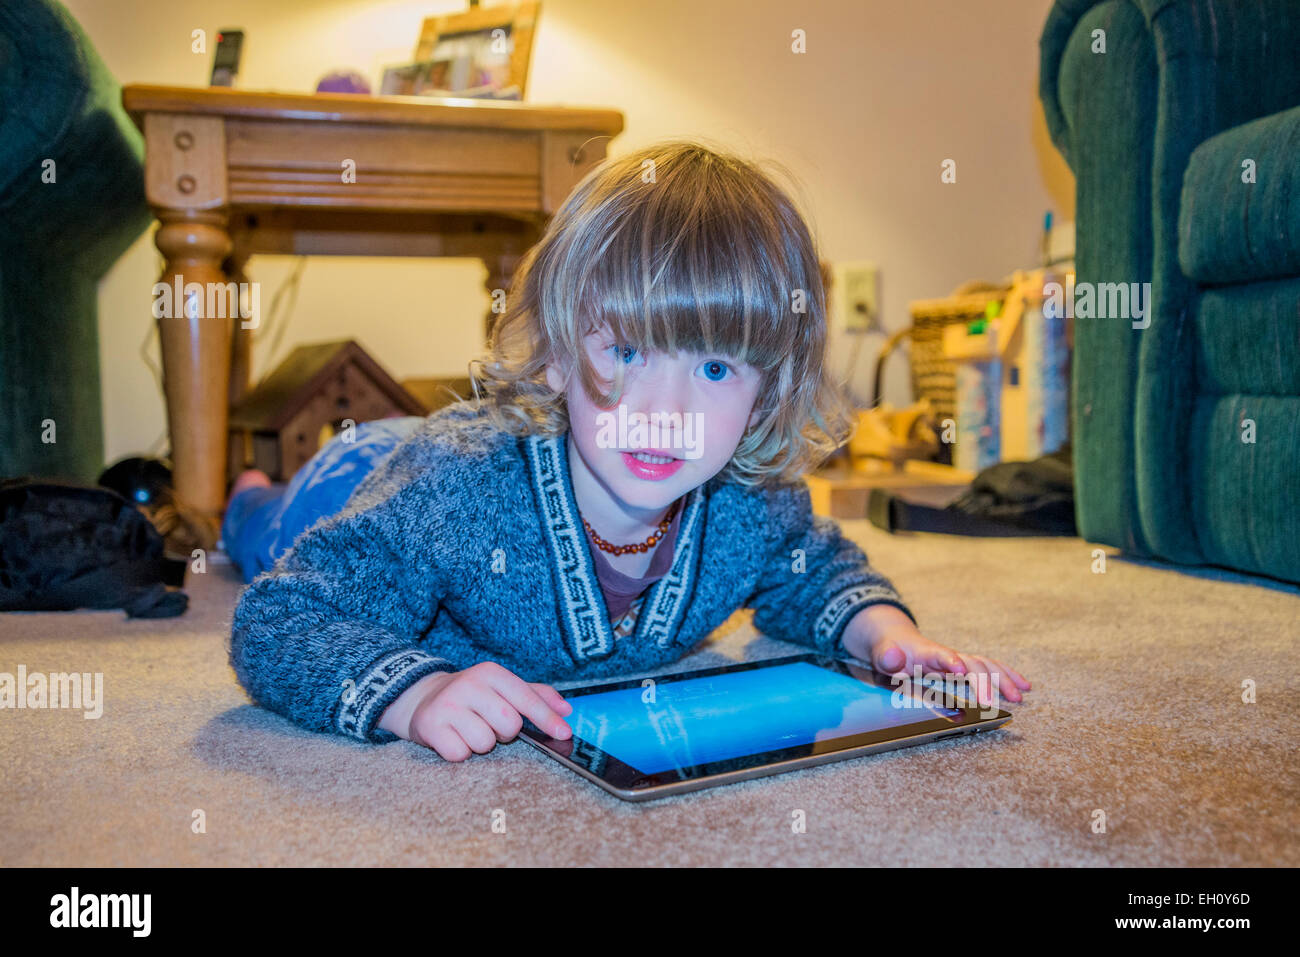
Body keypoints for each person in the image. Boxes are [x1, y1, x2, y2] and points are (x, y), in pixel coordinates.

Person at [227, 140, 1030, 762]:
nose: (666, 412)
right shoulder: (452, 490)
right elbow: (279, 618)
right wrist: (418, 693)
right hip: (363, 466)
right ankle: (250, 491)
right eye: (629, 352)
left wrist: (888, 635)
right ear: (552, 351)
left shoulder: (751, 501)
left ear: (767, 391)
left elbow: (814, 566)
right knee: (268, 531)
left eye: (715, 367)